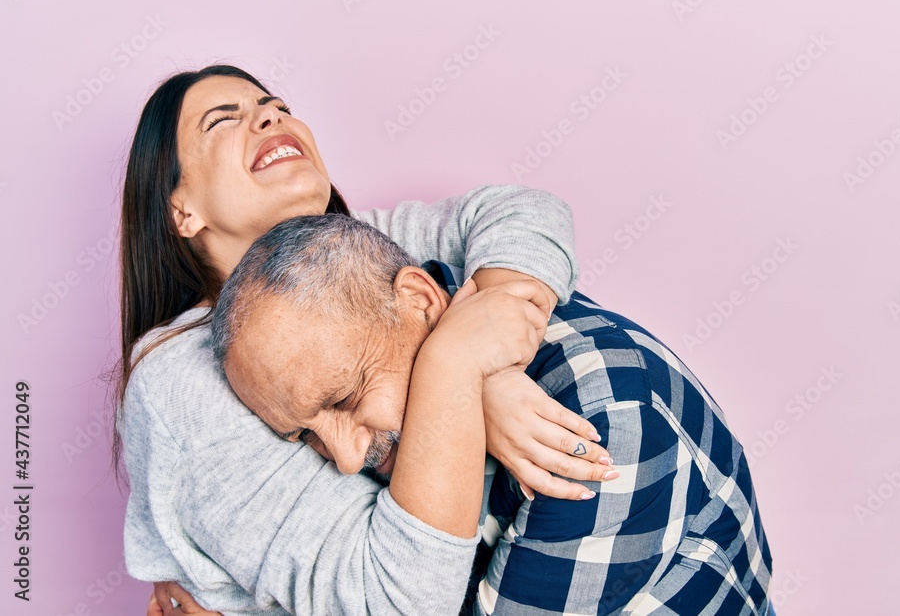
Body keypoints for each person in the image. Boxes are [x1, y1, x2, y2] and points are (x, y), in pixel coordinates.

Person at [116, 65, 616, 616]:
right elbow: (389, 600)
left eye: (276, 107)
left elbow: (524, 210)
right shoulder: (180, 376)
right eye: (222, 121)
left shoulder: (360, 244)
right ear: (181, 210)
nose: (269, 117)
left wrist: (494, 362)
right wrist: (455, 368)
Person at [212, 213, 775, 615]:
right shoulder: (386, 377)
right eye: (304, 435)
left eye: (345, 399)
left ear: (421, 301)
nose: (345, 459)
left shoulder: (601, 418)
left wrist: (452, 366)